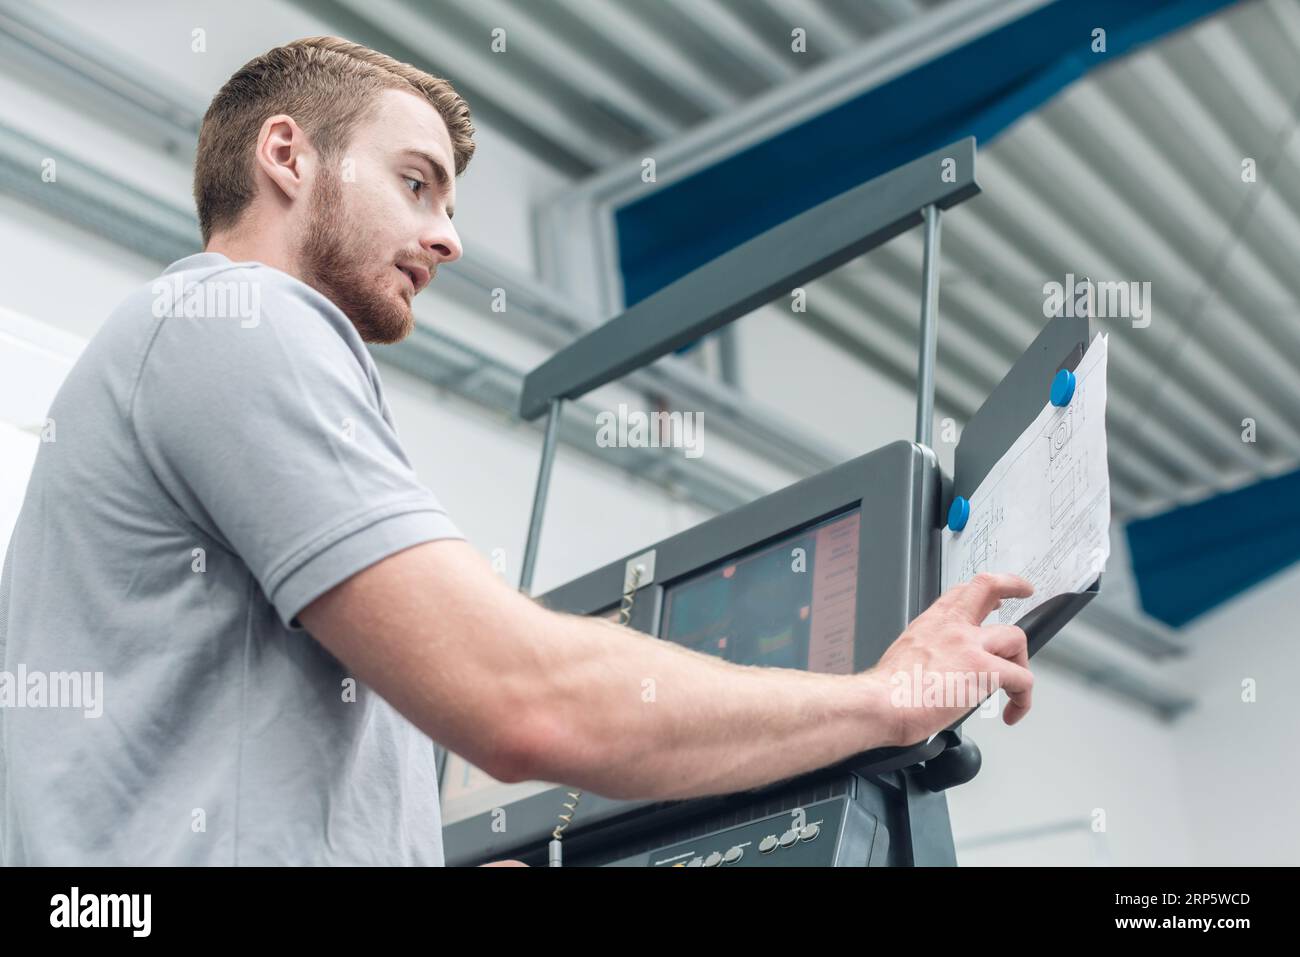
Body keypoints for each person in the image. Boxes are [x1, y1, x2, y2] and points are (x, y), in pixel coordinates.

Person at [0, 36, 1033, 866]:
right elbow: (522, 704)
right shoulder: (239, 314)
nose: (447, 238)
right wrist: (883, 699)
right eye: (416, 185)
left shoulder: (187, 349)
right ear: (286, 156)